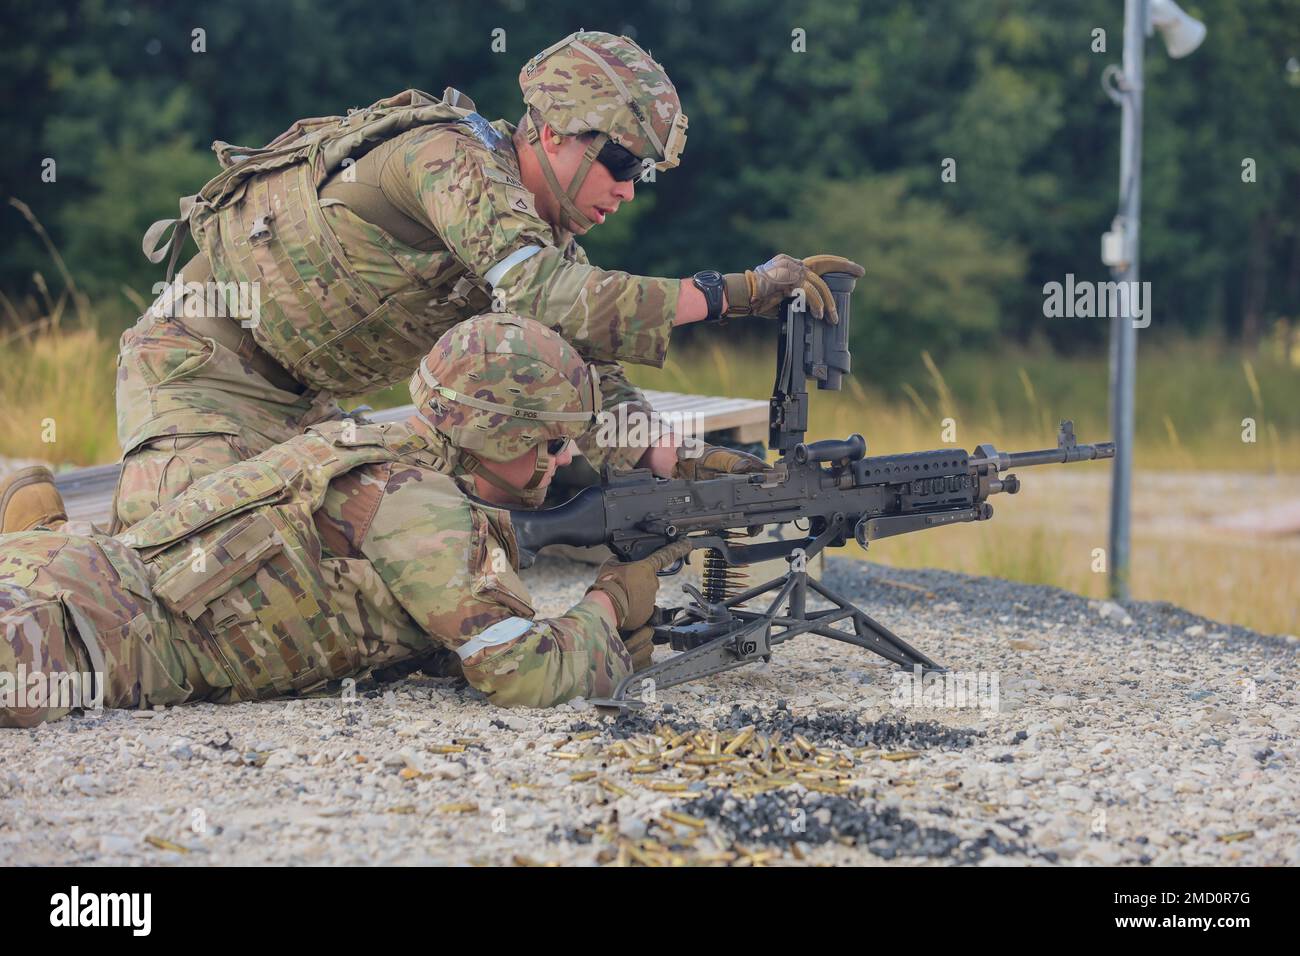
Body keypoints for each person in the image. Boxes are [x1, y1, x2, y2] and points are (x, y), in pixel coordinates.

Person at [115, 28, 862, 529]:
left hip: (308, 411)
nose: (630, 190)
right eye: (623, 164)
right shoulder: (447, 160)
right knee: (188, 555)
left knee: (368, 556)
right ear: (552, 133)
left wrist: (687, 462)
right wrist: (735, 292)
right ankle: (36, 523)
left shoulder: (539, 243)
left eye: (645, 174)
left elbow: (590, 379)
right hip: (199, 377)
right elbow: (544, 296)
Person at [0, 313, 731, 729]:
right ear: (499, 435)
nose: (566, 454)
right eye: (550, 440)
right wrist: (610, 603)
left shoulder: (374, 443)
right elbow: (520, 674)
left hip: (62, 572)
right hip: (78, 633)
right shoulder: (423, 504)